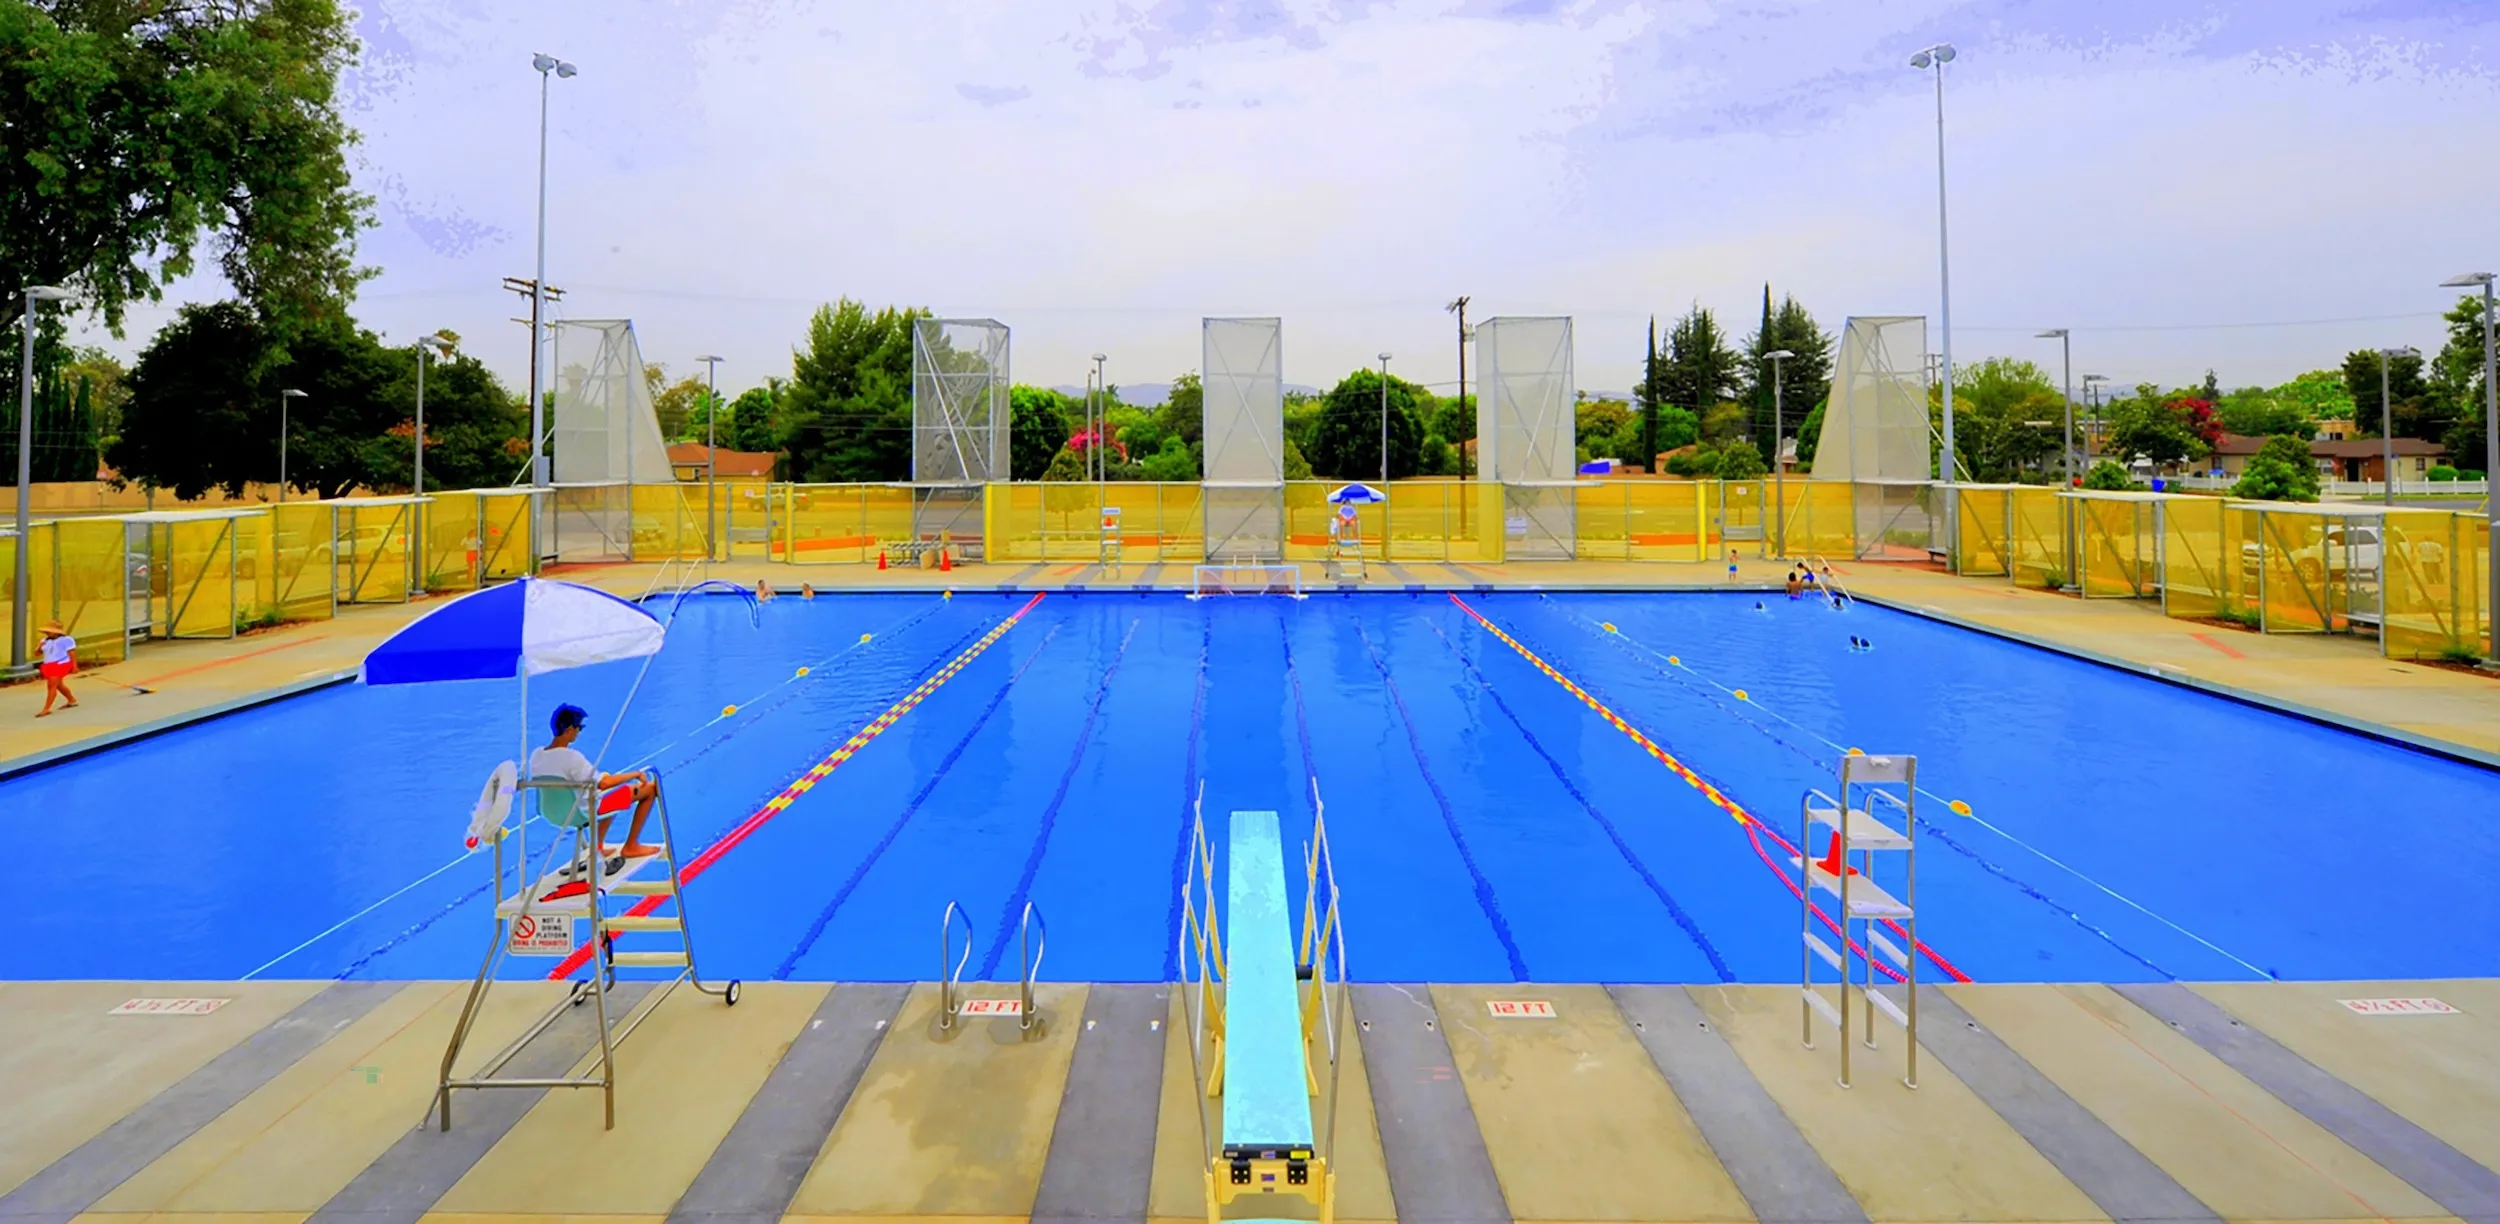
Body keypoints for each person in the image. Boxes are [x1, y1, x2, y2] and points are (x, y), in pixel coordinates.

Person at [528, 704, 661, 870]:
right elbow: (604, 783)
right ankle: (631, 846)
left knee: (602, 790)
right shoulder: (572, 758)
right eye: (579, 728)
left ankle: (597, 848)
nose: (579, 732)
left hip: (552, 814)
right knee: (650, 789)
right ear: (569, 730)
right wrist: (635, 774)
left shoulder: (536, 755)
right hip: (581, 813)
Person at [35, 621, 78, 716]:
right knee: (58, 685)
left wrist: (74, 666)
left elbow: (72, 653)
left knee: (51, 685)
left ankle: (46, 708)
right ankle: (71, 700)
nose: (47, 633)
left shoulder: (66, 640)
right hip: (48, 665)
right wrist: (39, 648)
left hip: (61, 663)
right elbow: (37, 654)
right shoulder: (44, 641)